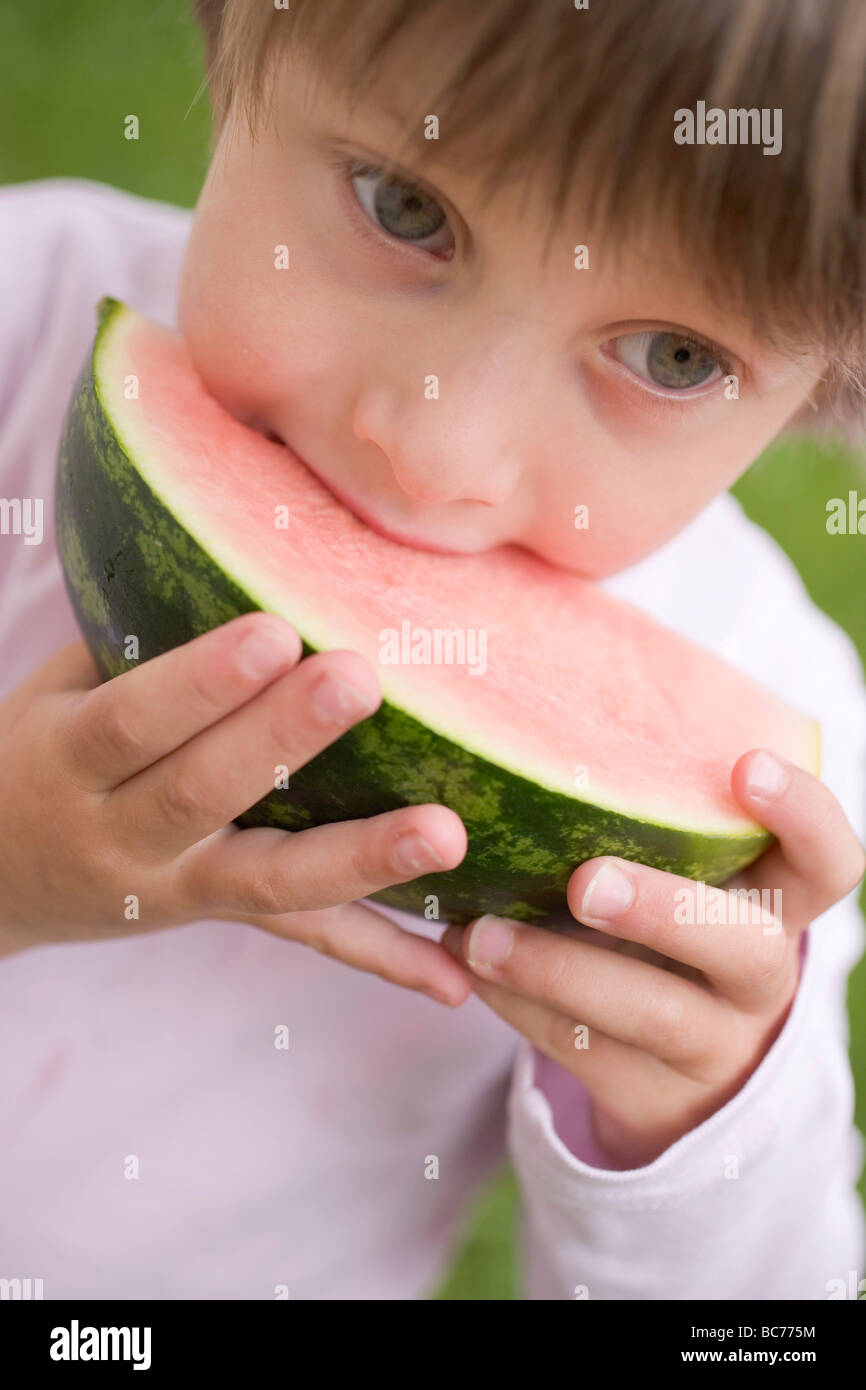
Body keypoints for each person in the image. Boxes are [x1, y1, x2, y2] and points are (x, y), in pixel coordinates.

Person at [0, 0, 864, 1299]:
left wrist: (694, 1127)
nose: (435, 450)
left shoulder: (767, 759)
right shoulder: (24, 321)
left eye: (671, 357)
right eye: (405, 209)